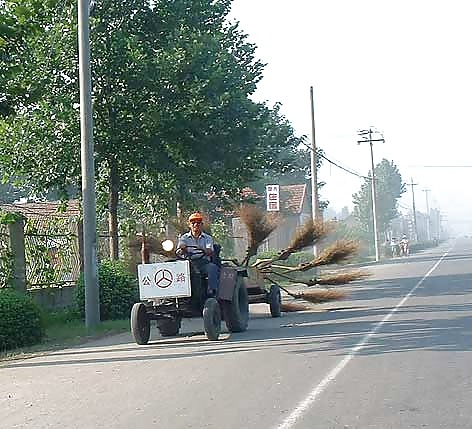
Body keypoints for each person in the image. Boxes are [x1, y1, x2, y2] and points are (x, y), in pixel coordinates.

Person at [177, 212, 220, 295]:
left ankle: (212, 291)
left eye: (198, 223)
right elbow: (179, 251)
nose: (196, 225)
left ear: (202, 225)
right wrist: (182, 249)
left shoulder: (207, 238)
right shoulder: (184, 238)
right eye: (193, 223)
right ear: (189, 225)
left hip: (203, 262)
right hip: (189, 263)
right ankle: (179, 292)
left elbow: (210, 250)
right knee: (177, 268)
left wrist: (203, 249)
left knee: (212, 268)